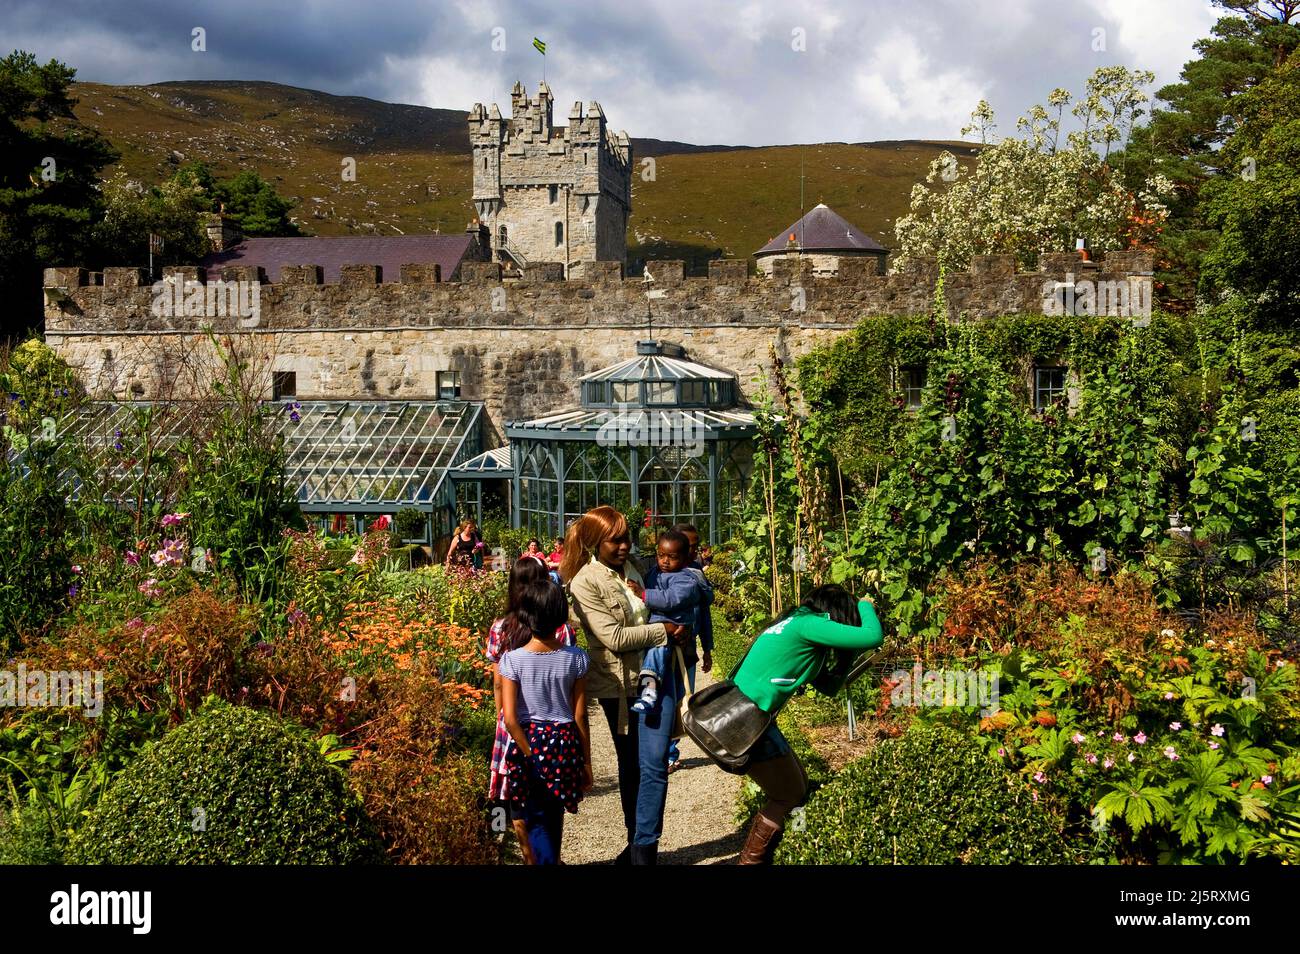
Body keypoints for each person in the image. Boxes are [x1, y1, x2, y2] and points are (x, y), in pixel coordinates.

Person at [561, 506, 690, 865]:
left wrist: (680, 628)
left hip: (653, 675)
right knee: (632, 765)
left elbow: (665, 603)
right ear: (593, 543)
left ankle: (641, 847)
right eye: (614, 540)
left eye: (625, 537)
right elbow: (613, 637)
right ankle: (637, 845)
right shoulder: (585, 582)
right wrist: (662, 632)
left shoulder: (636, 567)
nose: (623, 545)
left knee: (650, 765)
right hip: (619, 685)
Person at [731, 584, 883, 864]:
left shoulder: (795, 625)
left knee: (799, 788)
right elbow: (873, 636)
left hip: (752, 715)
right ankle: (751, 862)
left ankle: (794, 849)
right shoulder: (808, 624)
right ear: (838, 613)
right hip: (747, 717)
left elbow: (829, 686)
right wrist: (865, 605)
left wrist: (845, 655)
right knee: (788, 796)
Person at [485, 557, 577, 863]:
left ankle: (529, 858)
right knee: (553, 797)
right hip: (555, 725)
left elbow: (499, 684)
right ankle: (551, 855)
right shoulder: (561, 631)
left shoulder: (501, 627)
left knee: (515, 798)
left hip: (514, 726)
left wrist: (502, 719)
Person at [499, 579, 592, 865]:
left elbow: (511, 719)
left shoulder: (512, 661)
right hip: (564, 741)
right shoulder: (576, 659)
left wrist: (531, 754)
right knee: (555, 811)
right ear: (560, 615)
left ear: (525, 615)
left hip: (529, 742)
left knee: (533, 815)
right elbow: (579, 715)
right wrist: (586, 762)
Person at [633, 530, 711, 718]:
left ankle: (649, 693)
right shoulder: (654, 571)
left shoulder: (686, 579)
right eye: (661, 555)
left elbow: (671, 599)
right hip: (658, 627)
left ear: (684, 558)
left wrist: (644, 594)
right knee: (654, 657)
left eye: (672, 557)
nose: (665, 561)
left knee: (655, 655)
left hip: (673, 628)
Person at [665, 523, 715, 772]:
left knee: (684, 698)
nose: (694, 550)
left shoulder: (696, 572)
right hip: (664, 646)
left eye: (696, 545)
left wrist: (707, 648)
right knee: (665, 697)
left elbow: (704, 613)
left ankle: (671, 751)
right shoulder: (659, 574)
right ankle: (662, 751)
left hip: (688, 648)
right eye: (690, 545)